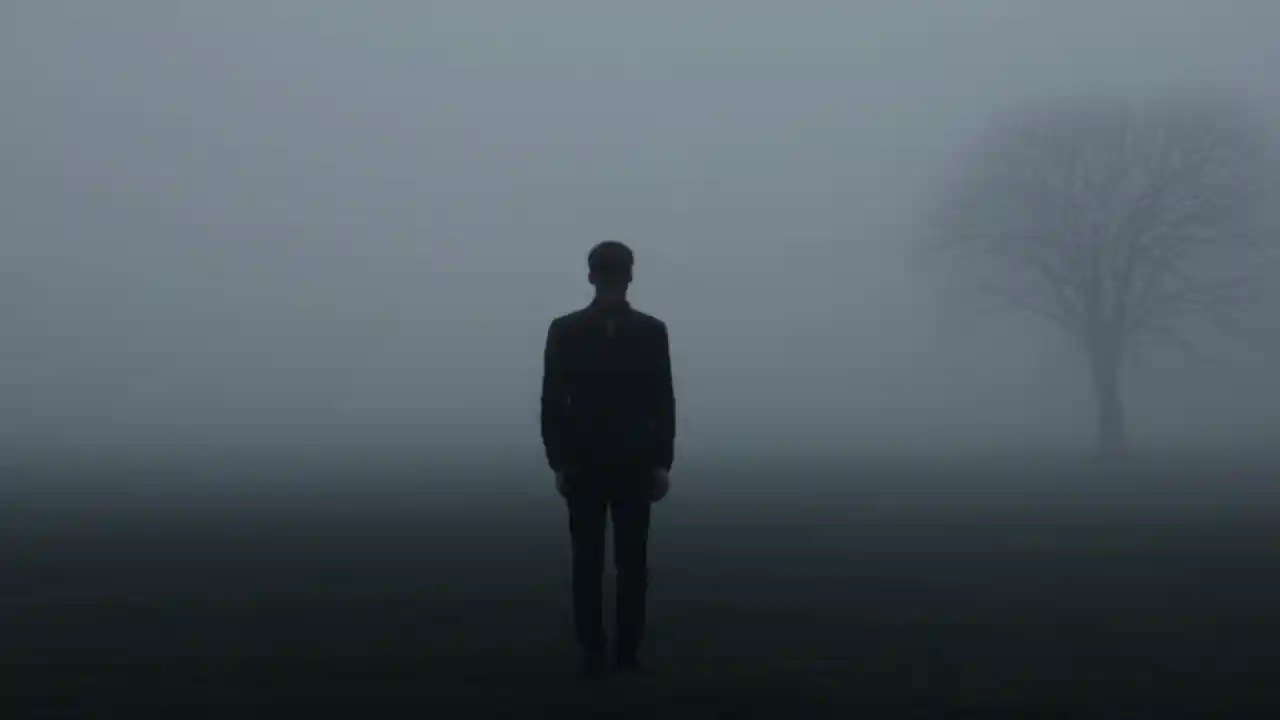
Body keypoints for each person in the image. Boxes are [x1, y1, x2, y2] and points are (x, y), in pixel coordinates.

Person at [540, 240, 675, 678]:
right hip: (629, 461)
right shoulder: (651, 331)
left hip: (586, 461)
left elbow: (552, 402)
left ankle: (595, 651)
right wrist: (661, 461)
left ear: (591, 275)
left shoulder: (565, 329)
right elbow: (663, 401)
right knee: (630, 563)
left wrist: (558, 459)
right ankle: (624, 652)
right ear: (630, 274)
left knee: (589, 561)